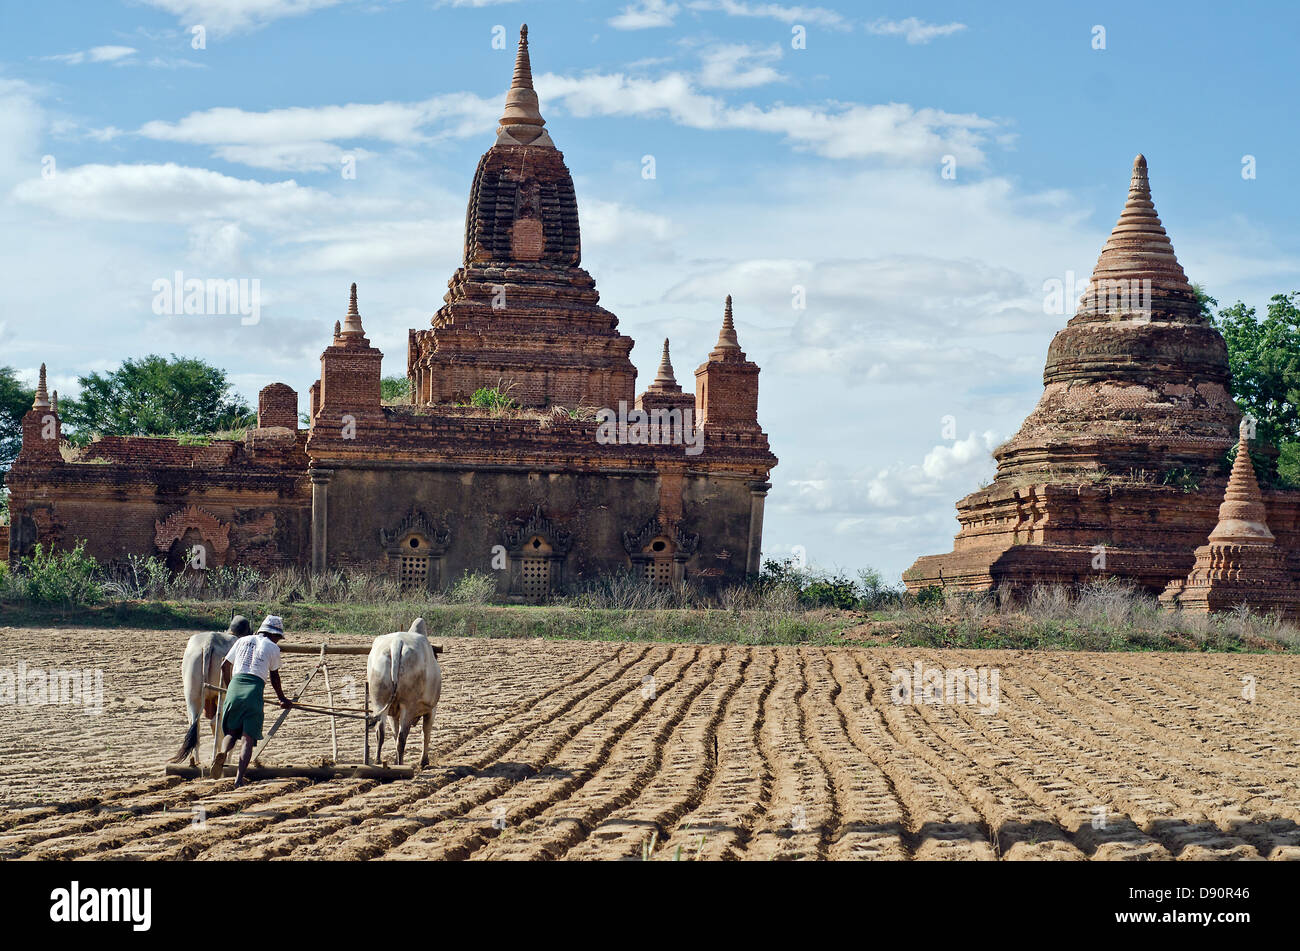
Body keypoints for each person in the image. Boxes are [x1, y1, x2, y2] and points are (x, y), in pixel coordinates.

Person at [212, 614, 294, 786]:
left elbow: (224, 666)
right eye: (278, 637)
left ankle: (223, 752)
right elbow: (274, 677)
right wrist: (282, 699)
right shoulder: (272, 647)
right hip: (254, 691)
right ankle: (239, 779)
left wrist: (230, 688)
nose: (278, 641)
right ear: (274, 635)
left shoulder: (242, 641)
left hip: (235, 687)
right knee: (248, 739)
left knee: (231, 733)